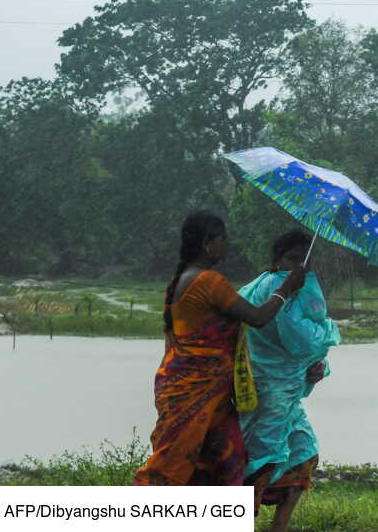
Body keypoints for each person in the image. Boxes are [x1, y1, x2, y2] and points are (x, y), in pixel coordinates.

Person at [133, 211, 306, 486]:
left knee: (227, 461)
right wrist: (285, 288)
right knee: (171, 468)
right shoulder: (208, 281)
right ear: (207, 244)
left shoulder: (181, 280)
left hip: (204, 390)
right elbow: (257, 318)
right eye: (223, 239)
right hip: (194, 388)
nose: (227, 245)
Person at [237, 229, 340, 531]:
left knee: (302, 454)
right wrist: (327, 339)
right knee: (261, 461)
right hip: (269, 392)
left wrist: (318, 367)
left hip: (287, 392)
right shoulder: (274, 287)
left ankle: (278, 527)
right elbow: (301, 339)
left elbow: (305, 349)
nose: (300, 266)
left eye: (305, 260)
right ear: (277, 260)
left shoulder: (299, 287)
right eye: (292, 259)